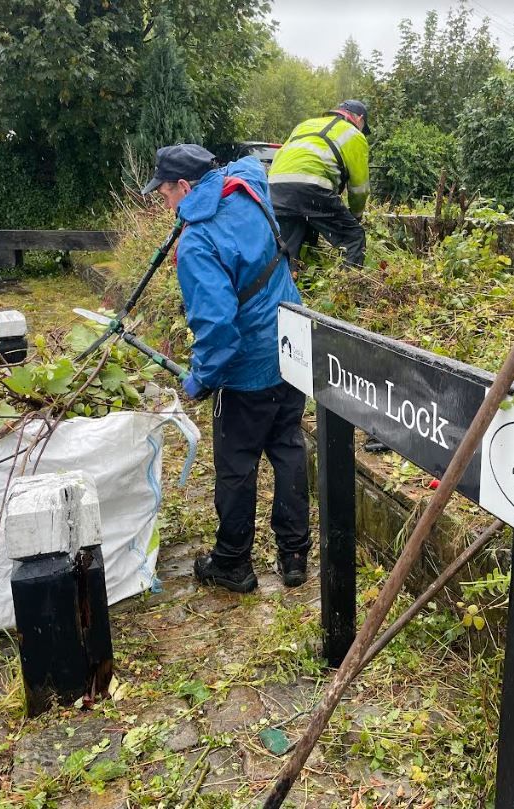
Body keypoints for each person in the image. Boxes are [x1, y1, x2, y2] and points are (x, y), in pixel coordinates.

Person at [141, 144, 310, 593]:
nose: (164, 200)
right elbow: (249, 163)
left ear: (185, 186)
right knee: (289, 448)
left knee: (237, 467)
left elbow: (218, 329)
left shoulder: (198, 243)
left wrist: (201, 380)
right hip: (293, 348)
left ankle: (233, 563)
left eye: (165, 191)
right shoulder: (249, 189)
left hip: (246, 372)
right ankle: (294, 557)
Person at [268, 99, 371, 270]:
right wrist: (355, 217)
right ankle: (347, 290)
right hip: (310, 186)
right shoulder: (354, 134)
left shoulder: (304, 125)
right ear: (359, 119)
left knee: (290, 249)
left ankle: (291, 288)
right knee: (353, 237)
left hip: (276, 187)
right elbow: (359, 188)